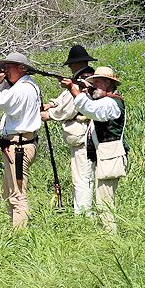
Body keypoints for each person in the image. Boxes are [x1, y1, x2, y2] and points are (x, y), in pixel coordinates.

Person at [0, 52, 42, 228]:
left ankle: (19, 236)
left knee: (17, 194)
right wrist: (0, 81)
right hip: (16, 145)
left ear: (21, 68)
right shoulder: (25, 86)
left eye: (9, 67)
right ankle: (15, 229)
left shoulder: (23, 89)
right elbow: (5, 97)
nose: (5, 70)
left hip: (19, 147)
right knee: (9, 192)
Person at [62, 66, 126, 233]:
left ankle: (110, 235)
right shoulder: (107, 100)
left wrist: (74, 91)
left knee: (104, 201)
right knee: (103, 199)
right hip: (106, 155)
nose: (93, 85)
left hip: (110, 155)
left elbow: (92, 110)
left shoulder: (111, 102)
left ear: (107, 83)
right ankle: (108, 232)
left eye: (97, 82)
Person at [41, 45, 96, 214]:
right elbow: (63, 99)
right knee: (82, 176)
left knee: (82, 178)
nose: (70, 66)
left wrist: (49, 114)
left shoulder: (82, 82)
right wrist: (50, 104)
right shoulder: (84, 79)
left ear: (77, 63)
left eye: (72, 63)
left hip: (83, 134)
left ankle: (83, 214)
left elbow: (70, 107)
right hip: (81, 135)